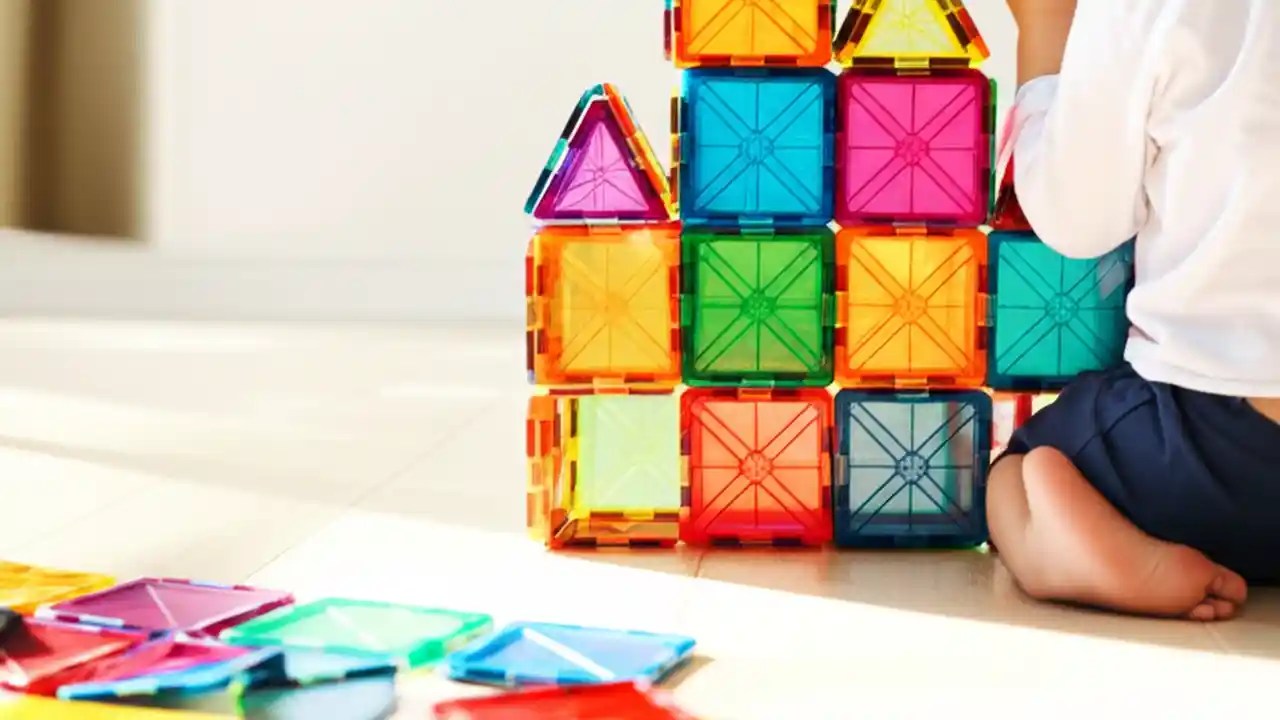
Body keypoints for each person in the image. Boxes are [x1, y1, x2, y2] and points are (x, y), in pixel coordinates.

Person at [990, 0, 1280, 620]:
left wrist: (1045, 28)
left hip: (1211, 457)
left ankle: (1121, 559)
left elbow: (1074, 220)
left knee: (1016, 478)